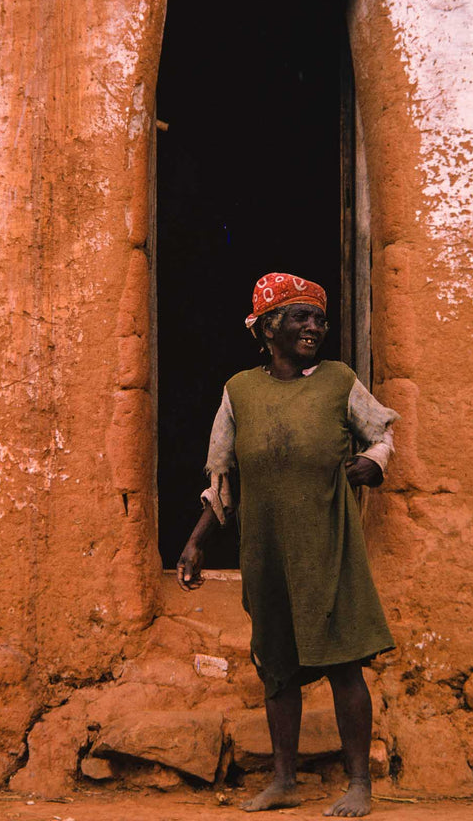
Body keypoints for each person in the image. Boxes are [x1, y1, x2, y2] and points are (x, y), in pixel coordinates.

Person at [177, 272, 398, 818]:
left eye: (319, 319)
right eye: (300, 317)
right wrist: (195, 544)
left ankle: (358, 785)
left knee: (345, 660)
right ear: (268, 327)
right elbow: (222, 479)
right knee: (276, 664)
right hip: (268, 548)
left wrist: (374, 462)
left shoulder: (339, 381)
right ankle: (283, 781)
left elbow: (382, 432)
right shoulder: (239, 392)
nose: (314, 327)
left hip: (328, 542)